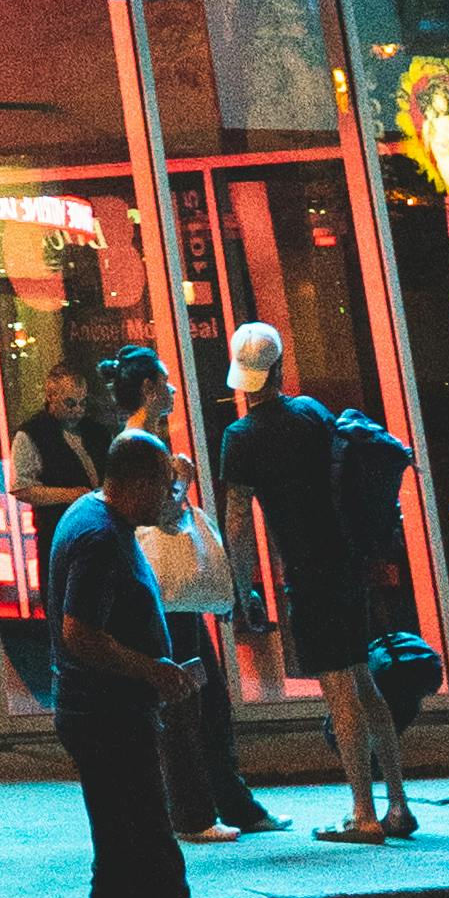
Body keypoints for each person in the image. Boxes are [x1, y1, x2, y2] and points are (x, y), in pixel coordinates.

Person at [51, 428, 261, 898]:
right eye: (166, 488)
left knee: (119, 868)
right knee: (159, 871)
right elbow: (79, 632)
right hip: (109, 720)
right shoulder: (99, 538)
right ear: (138, 483)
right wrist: (155, 672)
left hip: (103, 714)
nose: (171, 499)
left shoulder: (91, 518)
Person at [218, 319, 415, 843]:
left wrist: (242, 586)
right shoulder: (312, 412)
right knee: (364, 682)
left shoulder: (240, 438)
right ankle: (398, 805)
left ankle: (363, 815)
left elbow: (237, 522)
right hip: (348, 563)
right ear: (279, 368)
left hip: (308, 574)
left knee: (339, 692)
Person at [98, 349, 270, 837]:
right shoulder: (140, 444)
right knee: (190, 698)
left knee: (203, 695)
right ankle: (197, 810)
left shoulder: (137, 441)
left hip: (168, 593)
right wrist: (183, 481)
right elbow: (159, 514)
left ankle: (227, 802)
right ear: (149, 389)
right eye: (166, 381)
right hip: (165, 592)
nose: (173, 389)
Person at [3, 367, 102, 703]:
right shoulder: (31, 434)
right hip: (59, 535)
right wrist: (70, 494)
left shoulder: (94, 431)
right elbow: (22, 488)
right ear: (51, 396)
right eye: (71, 403)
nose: (78, 410)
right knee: (65, 612)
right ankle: (74, 691)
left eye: (83, 403)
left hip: (94, 531)